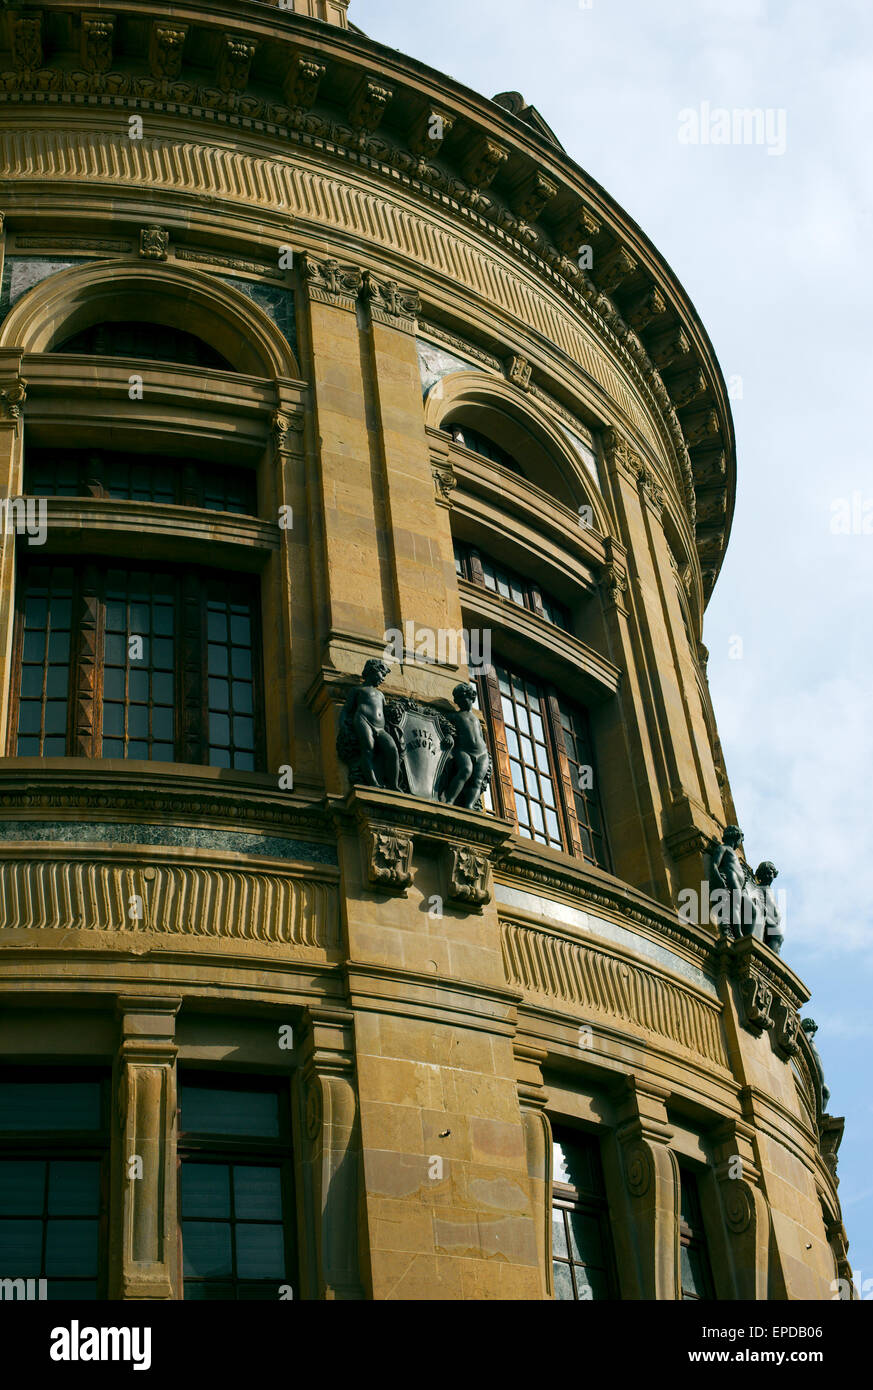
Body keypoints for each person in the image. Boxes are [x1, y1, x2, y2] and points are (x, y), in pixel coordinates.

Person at [339, 658, 400, 789]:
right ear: (372, 671)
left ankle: (393, 784)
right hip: (363, 721)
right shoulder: (358, 690)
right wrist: (342, 723)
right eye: (382, 674)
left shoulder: (381, 694)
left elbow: (385, 712)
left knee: (392, 749)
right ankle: (373, 782)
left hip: (380, 728)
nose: (383, 679)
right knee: (368, 750)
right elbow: (346, 709)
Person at [443, 682, 491, 809]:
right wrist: (448, 735)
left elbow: (480, 736)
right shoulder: (454, 716)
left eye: (463, 698)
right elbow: (444, 724)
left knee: (477, 781)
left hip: (482, 753)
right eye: (458, 699)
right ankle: (449, 800)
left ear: (471, 697)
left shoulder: (476, 718)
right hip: (463, 750)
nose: (460, 701)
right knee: (465, 770)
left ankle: (469, 806)